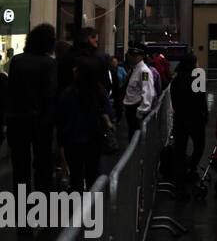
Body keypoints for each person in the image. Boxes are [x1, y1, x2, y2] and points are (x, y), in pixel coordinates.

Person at [6, 24, 60, 192]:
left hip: (17, 119)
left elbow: (11, 90)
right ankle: (39, 203)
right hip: (40, 121)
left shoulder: (17, 60)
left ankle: (21, 204)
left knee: (20, 166)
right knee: (42, 164)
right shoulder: (49, 63)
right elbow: (50, 94)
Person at [55, 58, 116, 191]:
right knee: (92, 176)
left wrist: (61, 145)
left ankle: (78, 206)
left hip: (73, 141)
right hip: (94, 140)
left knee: (76, 176)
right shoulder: (99, 92)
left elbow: (61, 119)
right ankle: (92, 206)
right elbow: (110, 113)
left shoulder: (68, 93)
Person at [170, 53, 209, 182]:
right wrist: (205, 115)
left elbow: (174, 100)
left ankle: (180, 180)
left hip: (180, 119)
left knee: (180, 150)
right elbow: (201, 99)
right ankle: (191, 168)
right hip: (195, 118)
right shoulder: (198, 76)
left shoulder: (177, 77)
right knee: (199, 146)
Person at [122, 45, 156, 135]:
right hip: (131, 109)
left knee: (135, 136)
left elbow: (148, 92)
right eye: (130, 55)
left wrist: (141, 112)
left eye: (133, 56)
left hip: (136, 110)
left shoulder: (144, 71)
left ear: (140, 57)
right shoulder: (135, 69)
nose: (130, 58)